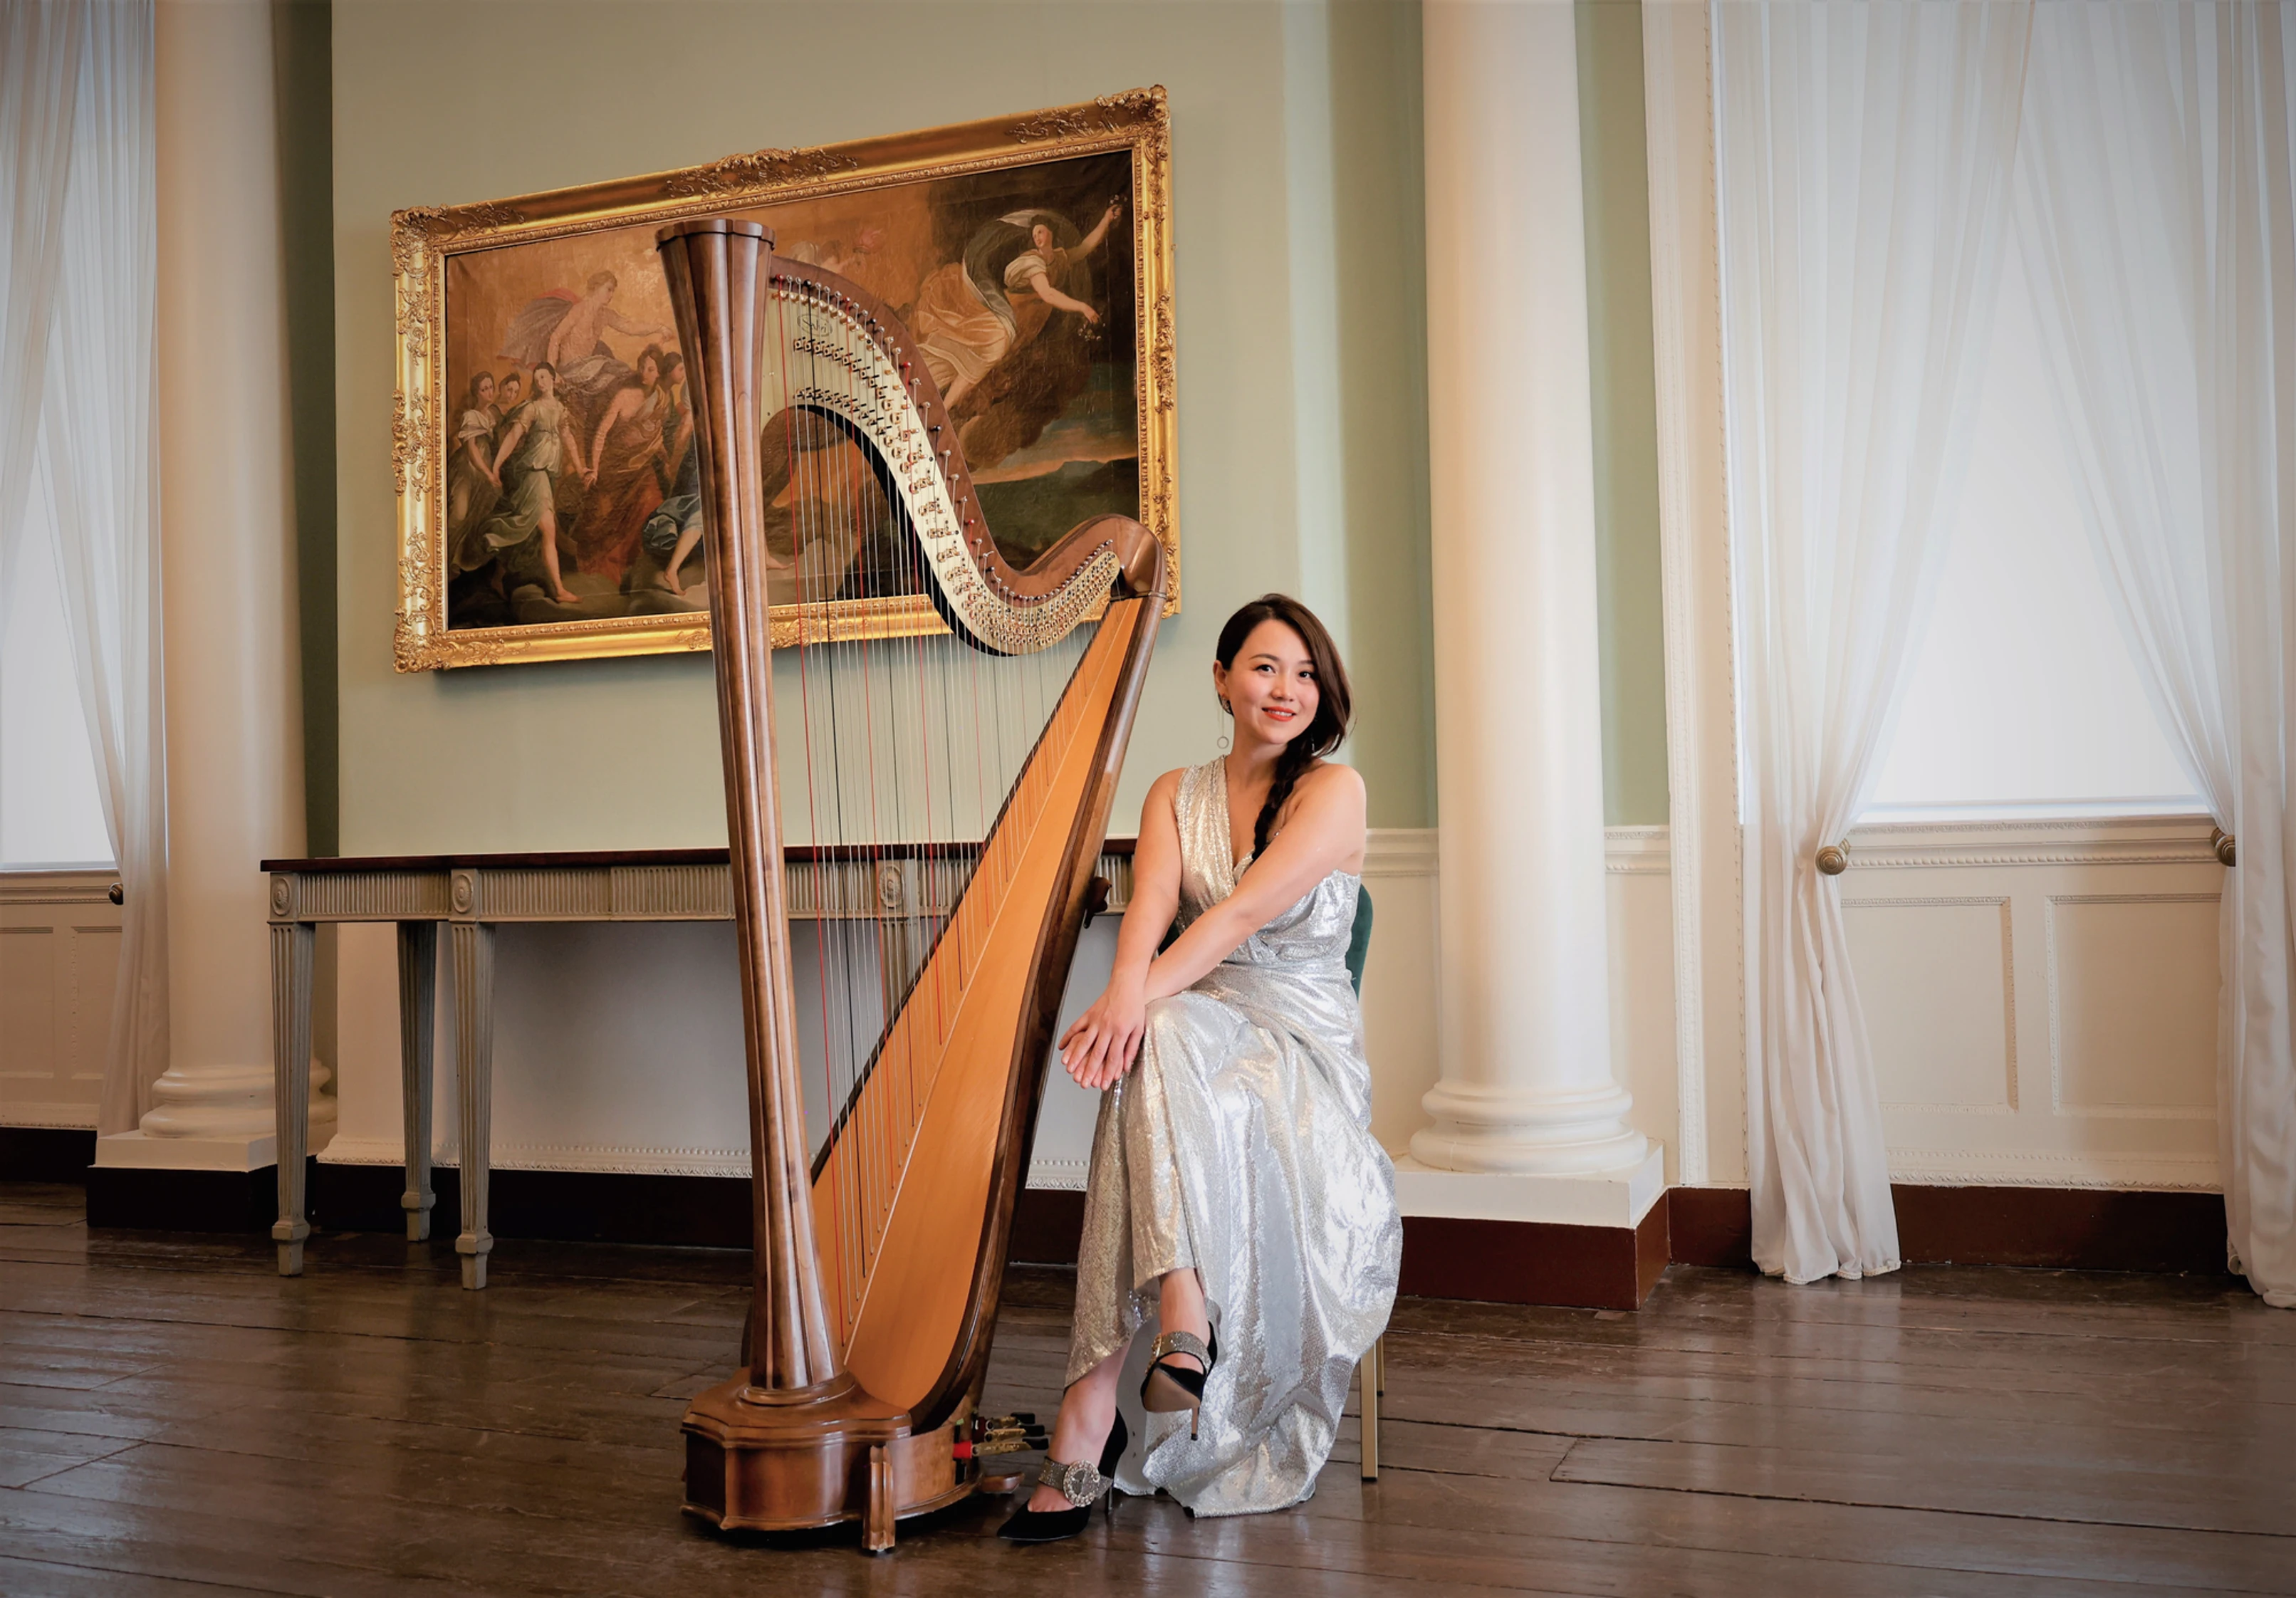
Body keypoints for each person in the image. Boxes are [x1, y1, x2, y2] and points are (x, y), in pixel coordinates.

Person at [1001, 594, 1401, 1542]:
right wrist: (1126, 991)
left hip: (1300, 1052)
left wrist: (1128, 1006)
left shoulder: (1335, 792)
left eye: (1306, 673)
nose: (1287, 689)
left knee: (1158, 1032)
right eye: (1265, 666)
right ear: (1221, 679)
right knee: (1166, 1034)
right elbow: (1149, 913)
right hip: (1197, 1041)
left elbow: (1235, 919)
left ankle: (1091, 1416)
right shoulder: (1173, 792)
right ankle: (1178, 1322)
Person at [911, 199, 1124, 408]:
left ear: (1051, 232)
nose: (1038, 237)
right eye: (1034, 234)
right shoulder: (1031, 262)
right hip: (999, 316)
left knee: (973, 362)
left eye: (1040, 232)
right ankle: (943, 408)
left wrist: (1106, 219)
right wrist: (1082, 307)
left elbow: (1085, 248)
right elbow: (1048, 294)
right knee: (986, 353)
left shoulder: (1058, 258)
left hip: (1021, 320)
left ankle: (936, 405)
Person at [471, 362, 585, 605]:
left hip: (548, 474)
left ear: (554, 379)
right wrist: (496, 465)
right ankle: (559, 589)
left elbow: (569, 440)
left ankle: (498, 577)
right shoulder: (532, 409)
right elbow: (513, 437)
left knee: (531, 532)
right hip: (534, 473)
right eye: (537, 378)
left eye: (544, 377)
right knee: (548, 530)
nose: (540, 382)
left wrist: (580, 468)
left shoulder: (561, 410)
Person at [575, 345, 677, 581]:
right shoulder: (624, 396)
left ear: (659, 372)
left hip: (642, 468)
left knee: (651, 506)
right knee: (605, 520)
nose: (644, 372)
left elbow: (656, 436)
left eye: (650, 369)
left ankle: (641, 570)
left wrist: (666, 461)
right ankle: (612, 571)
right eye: (642, 367)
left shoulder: (661, 399)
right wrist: (595, 469)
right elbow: (601, 433)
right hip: (615, 467)